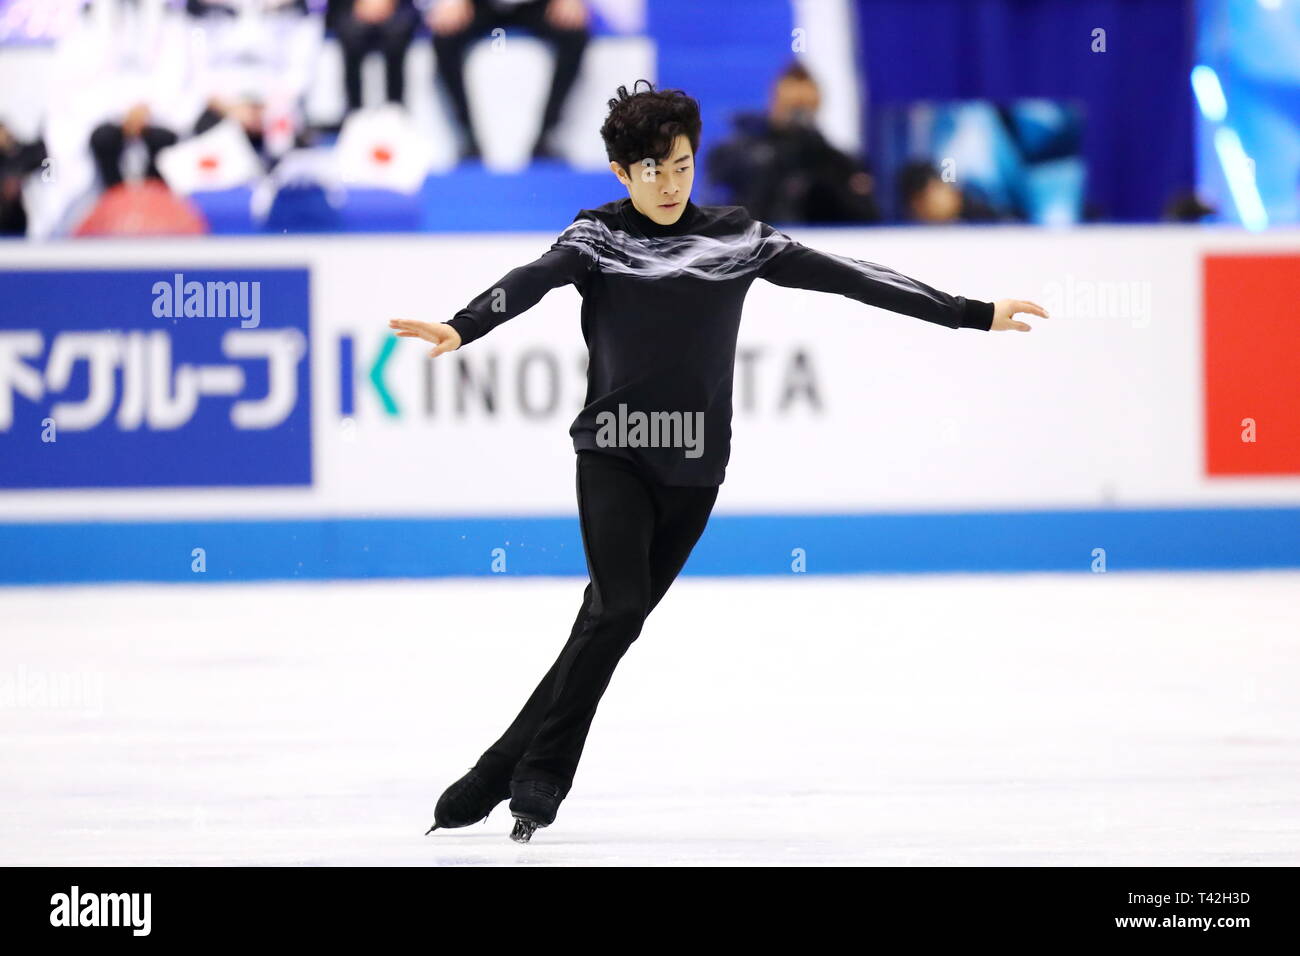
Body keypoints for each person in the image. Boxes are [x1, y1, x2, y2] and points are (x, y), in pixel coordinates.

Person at [389, 80, 1048, 842]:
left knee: (607, 622)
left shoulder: (738, 236)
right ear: (619, 172)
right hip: (615, 453)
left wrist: (969, 313)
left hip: (697, 470)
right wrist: (463, 326)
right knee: (620, 611)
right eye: (650, 171)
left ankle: (498, 768)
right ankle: (537, 783)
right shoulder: (597, 238)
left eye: (681, 167)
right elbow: (528, 283)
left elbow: (854, 278)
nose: (668, 185)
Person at [707, 61, 880, 224]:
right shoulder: (740, 154)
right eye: (792, 106)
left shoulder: (837, 163)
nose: (798, 115)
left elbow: (866, 219)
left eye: (804, 107)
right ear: (774, 101)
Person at [427, 0, 590, 162]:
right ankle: (468, 138)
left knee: (574, 36)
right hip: (480, 4)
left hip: (536, 5)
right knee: (445, 38)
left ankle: (547, 137)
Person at [326, 0, 421, 114]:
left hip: (400, 7)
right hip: (349, 7)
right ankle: (355, 111)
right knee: (349, 30)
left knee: (398, 30)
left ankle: (395, 109)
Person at [897, 159, 1006, 224]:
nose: (954, 193)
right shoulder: (900, 236)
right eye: (940, 188)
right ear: (917, 202)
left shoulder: (983, 217)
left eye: (950, 187)